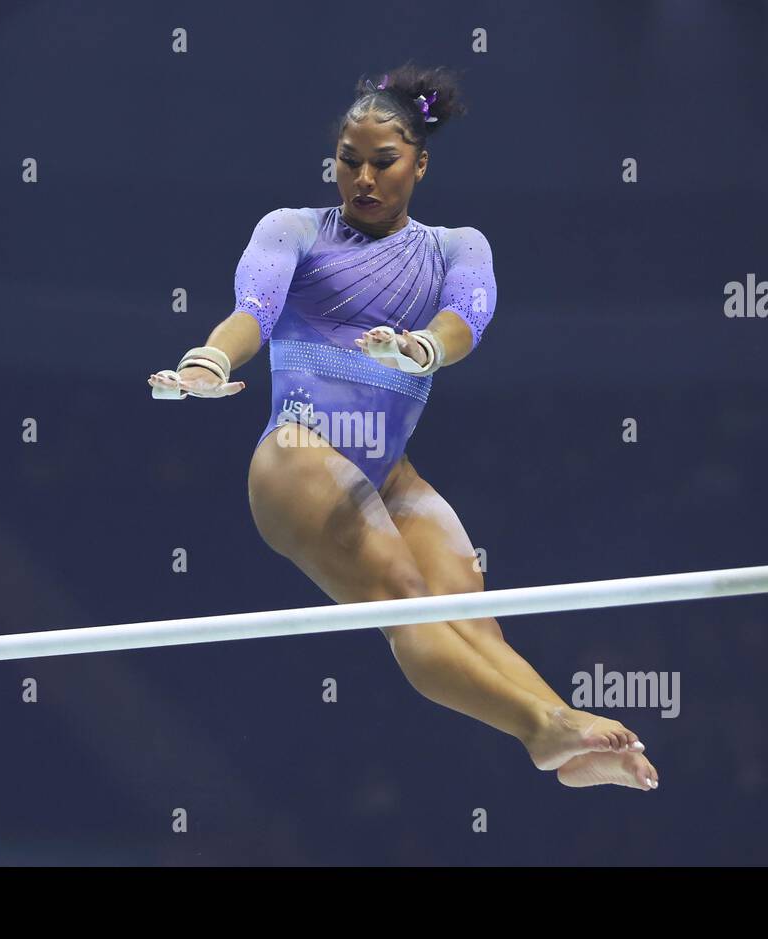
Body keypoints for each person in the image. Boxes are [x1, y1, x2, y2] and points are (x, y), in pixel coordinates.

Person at [149, 63, 658, 790]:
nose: (362, 178)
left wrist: (424, 346)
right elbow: (251, 312)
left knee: (474, 621)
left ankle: (566, 735)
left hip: (387, 471)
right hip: (297, 458)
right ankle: (541, 726)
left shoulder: (457, 247)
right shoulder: (292, 231)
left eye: (383, 162)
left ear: (419, 162)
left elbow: (465, 320)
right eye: (348, 161)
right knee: (406, 600)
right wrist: (205, 362)